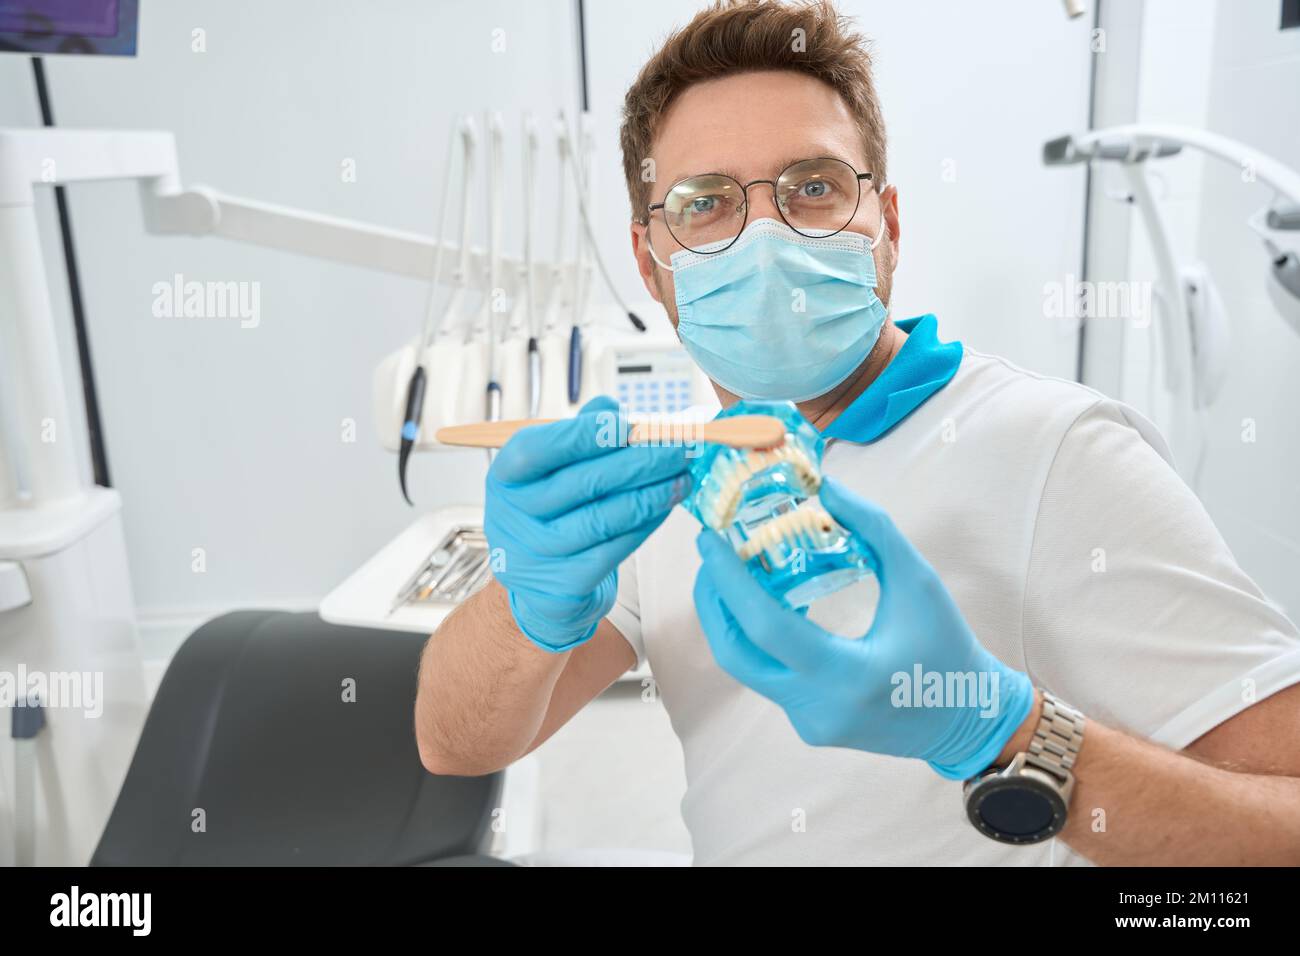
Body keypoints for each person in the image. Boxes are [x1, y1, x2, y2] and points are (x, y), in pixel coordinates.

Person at [415, 0, 1300, 865]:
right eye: (706, 203)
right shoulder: (682, 476)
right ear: (652, 264)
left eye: (813, 188)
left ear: (888, 227)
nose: (765, 236)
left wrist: (1000, 732)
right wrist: (525, 605)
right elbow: (458, 746)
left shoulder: (1059, 450)